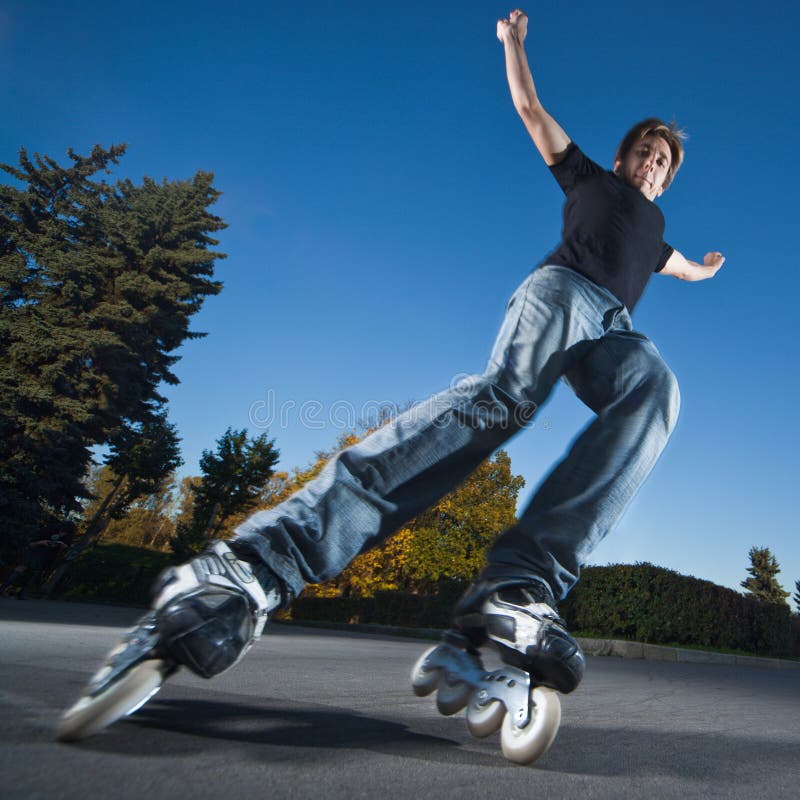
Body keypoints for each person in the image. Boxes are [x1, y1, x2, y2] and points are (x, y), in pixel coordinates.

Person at [60, 8, 724, 736]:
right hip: (562, 292)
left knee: (656, 390)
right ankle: (255, 564)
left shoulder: (658, 231)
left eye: (663, 160)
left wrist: (705, 269)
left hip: (613, 330)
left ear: (666, 179)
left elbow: (682, 269)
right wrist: (514, 46)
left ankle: (519, 585)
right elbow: (531, 111)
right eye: (645, 152)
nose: (652, 164)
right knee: (501, 403)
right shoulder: (590, 179)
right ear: (625, 158)